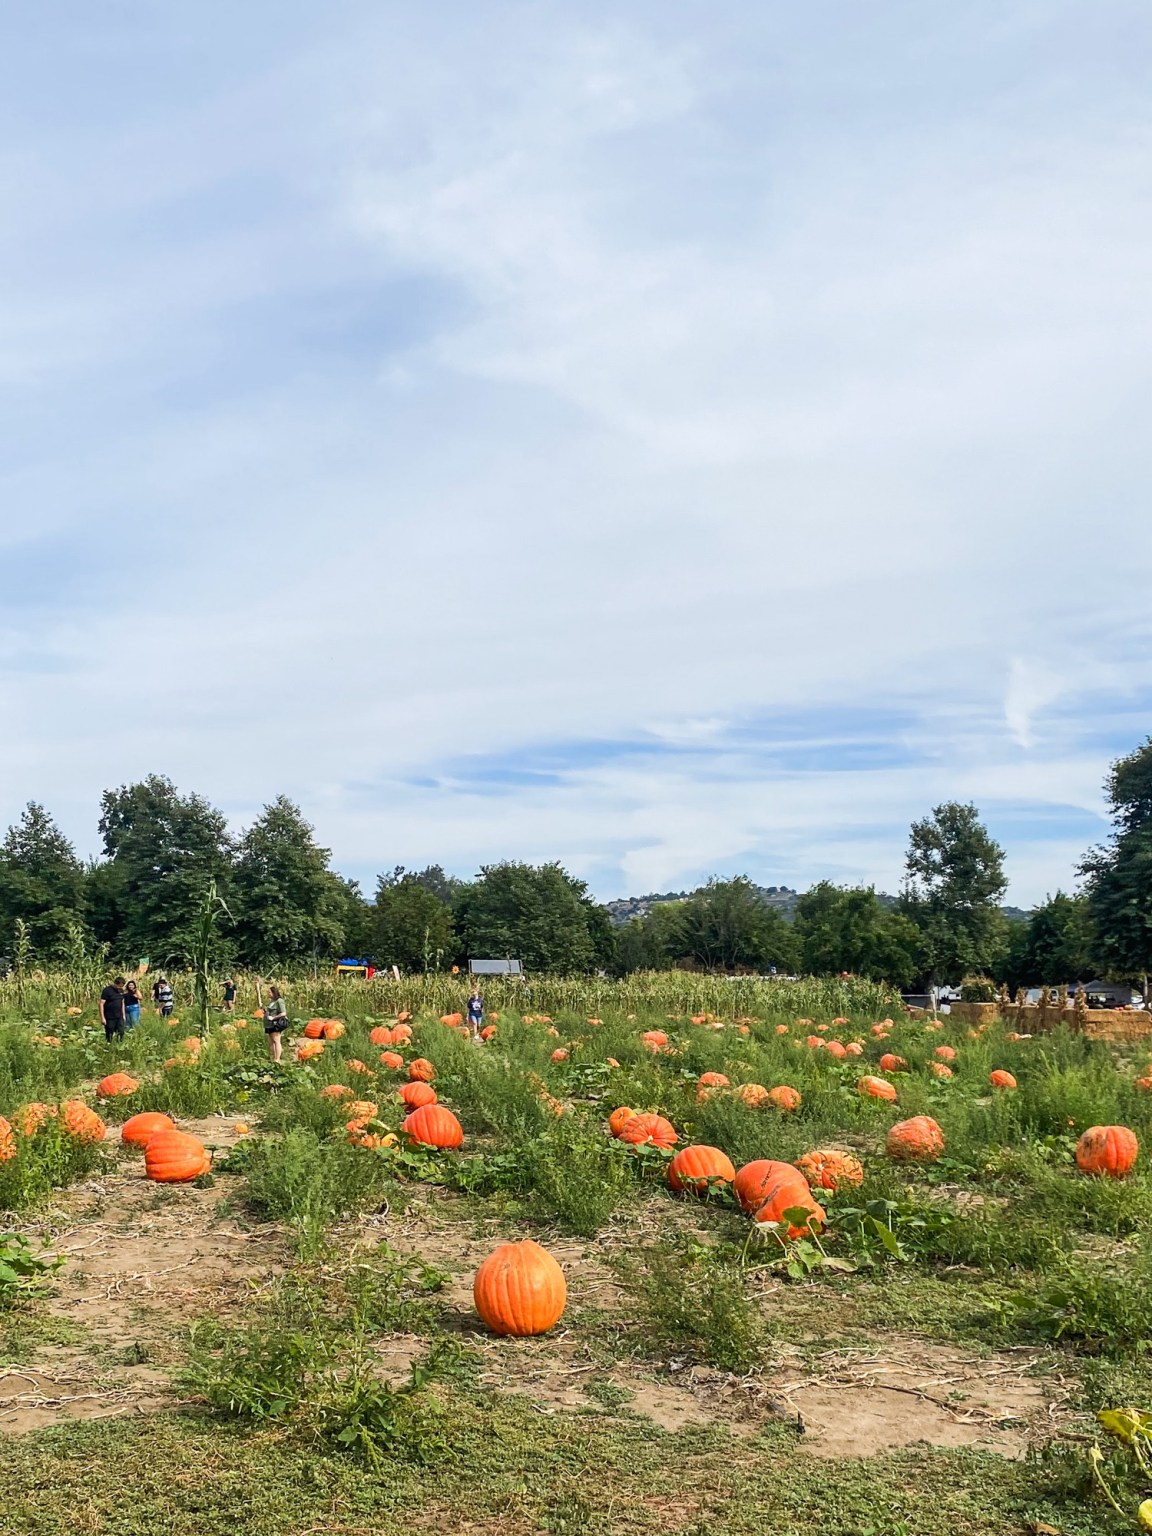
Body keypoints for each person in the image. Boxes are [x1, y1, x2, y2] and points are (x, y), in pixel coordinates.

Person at [263, 985, 289, 1062]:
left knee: (276, 1041)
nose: (268, 994)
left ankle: (277, 1059)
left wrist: (273, 1018)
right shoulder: (271, 1002)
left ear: (274, 993)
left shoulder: (279, 1001)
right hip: (268, 1024)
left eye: (269, 992)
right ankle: (273, 1057)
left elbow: (283, 1013)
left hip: (275, 1024)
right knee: (271, 1042)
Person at [99, 976, 127, 1043]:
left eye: (122, 986)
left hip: (119, 1016)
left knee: (121, 1032)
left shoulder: (121, 991)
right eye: (119, 986)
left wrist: (123, 1015)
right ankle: (109, 1045)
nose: (120, 988)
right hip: (109, 1017)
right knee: (110, 1032)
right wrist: (102, 1018)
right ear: (115, 983)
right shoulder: (107, 990)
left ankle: (119, 1045)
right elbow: (101, 1004)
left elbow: (122, 1002)